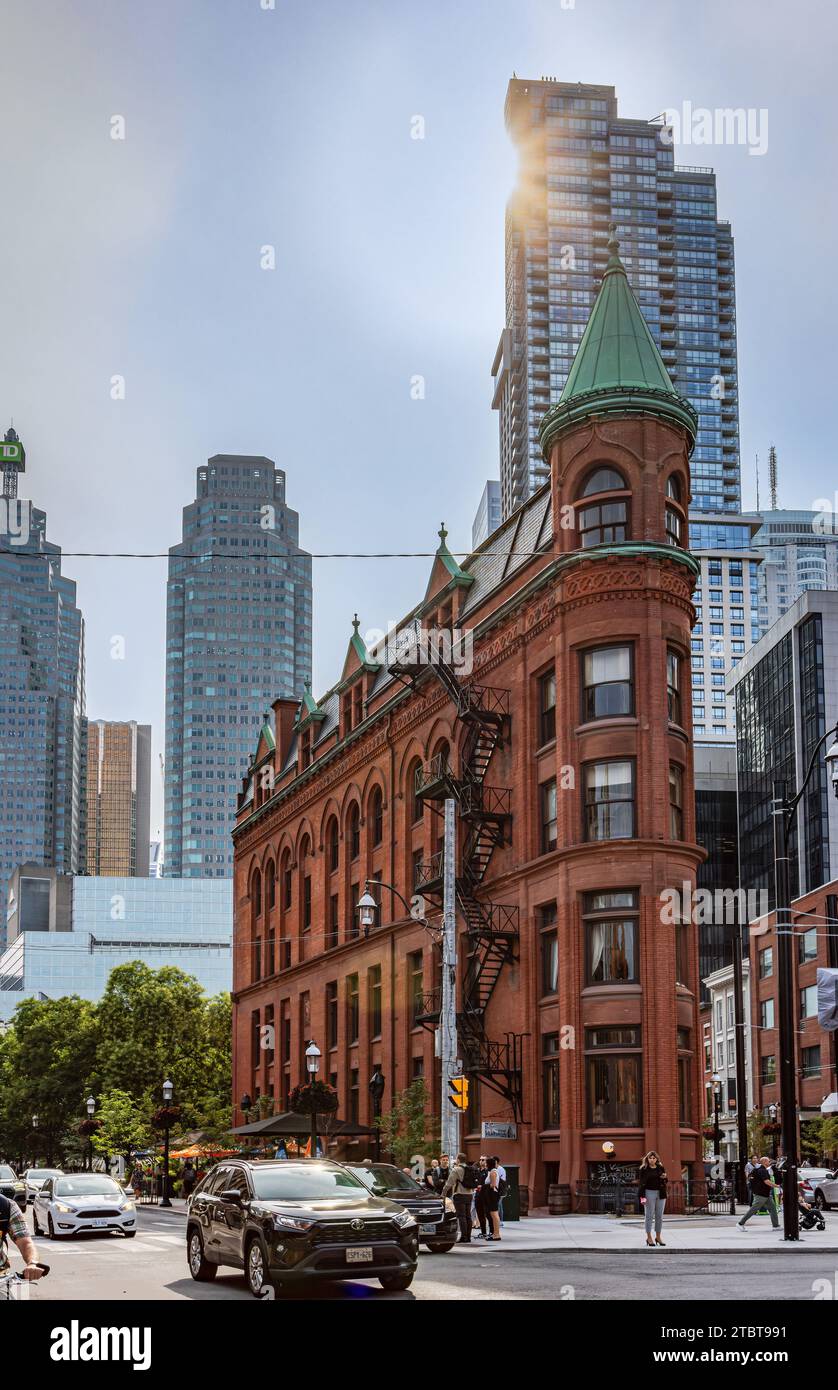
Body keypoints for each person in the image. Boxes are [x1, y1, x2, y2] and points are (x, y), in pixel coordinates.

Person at [0, 1193, 45, 1283]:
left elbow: (26, 1243)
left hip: (1, 1278)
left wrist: (32, 1264)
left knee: (15, 1295)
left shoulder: (6, 1206)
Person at [442, 1153, 478, 1244]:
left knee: (461, 1216)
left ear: (458, 1160)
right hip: (469, 1194)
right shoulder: (470, 1169)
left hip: (459, 1194)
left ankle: (463, 1236)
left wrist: (443, 1194)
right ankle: (468, 1236)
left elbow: (449, 1184)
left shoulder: (456, 1169)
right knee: (468, 1216)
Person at [737, 1156, 780, 1230]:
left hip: (765, 1194)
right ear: (764, 1162)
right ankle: (740, 1223)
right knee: (753, 1209)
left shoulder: (759, 1169)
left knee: (772, 1209)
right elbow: (766, 1181)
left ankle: (775, 1226)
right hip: (761, 1194)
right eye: (768, 1161)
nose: (769, 1163)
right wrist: (776, 1186)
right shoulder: (762, 1170)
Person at [638, 1151, 668, 1246]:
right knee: (649, 1216)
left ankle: (658, 1237)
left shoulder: (660, 1167)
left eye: (654, 1158)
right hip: (648, 1192)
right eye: (650, 1158)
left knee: (659, 1216)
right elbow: (641, 1183)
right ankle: (649, 1237)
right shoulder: (644, 1169)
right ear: (647, 1159)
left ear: (656, 1159)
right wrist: (642, 1197)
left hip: (661, 1193)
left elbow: (665, 1180)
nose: (652, 1159)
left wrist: (664, 1177)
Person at [494, 1155, 508, 1226]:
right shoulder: (493, 1169)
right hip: (496, 1190)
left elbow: (502, 1181)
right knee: (498, 1205)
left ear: (497, 1162)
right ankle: (498, 1220)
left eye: (495, 1162)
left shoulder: (501, 1169)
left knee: (499, 1205)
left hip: (501, 1190)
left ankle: (500, 1221)